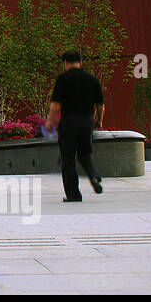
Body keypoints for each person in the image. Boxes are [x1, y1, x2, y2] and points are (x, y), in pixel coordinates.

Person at [47, 50, 105, 202]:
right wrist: (98, 121)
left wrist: (50, 121)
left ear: (65, 63)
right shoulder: (92, 79)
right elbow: (100, 105)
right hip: (86, 122)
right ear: (81, 62)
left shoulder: (63, 79)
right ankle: (93, 175)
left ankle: (73, 195)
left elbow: (55, 104)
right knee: (85, 154)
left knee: (68, 158)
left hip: (68, 122)